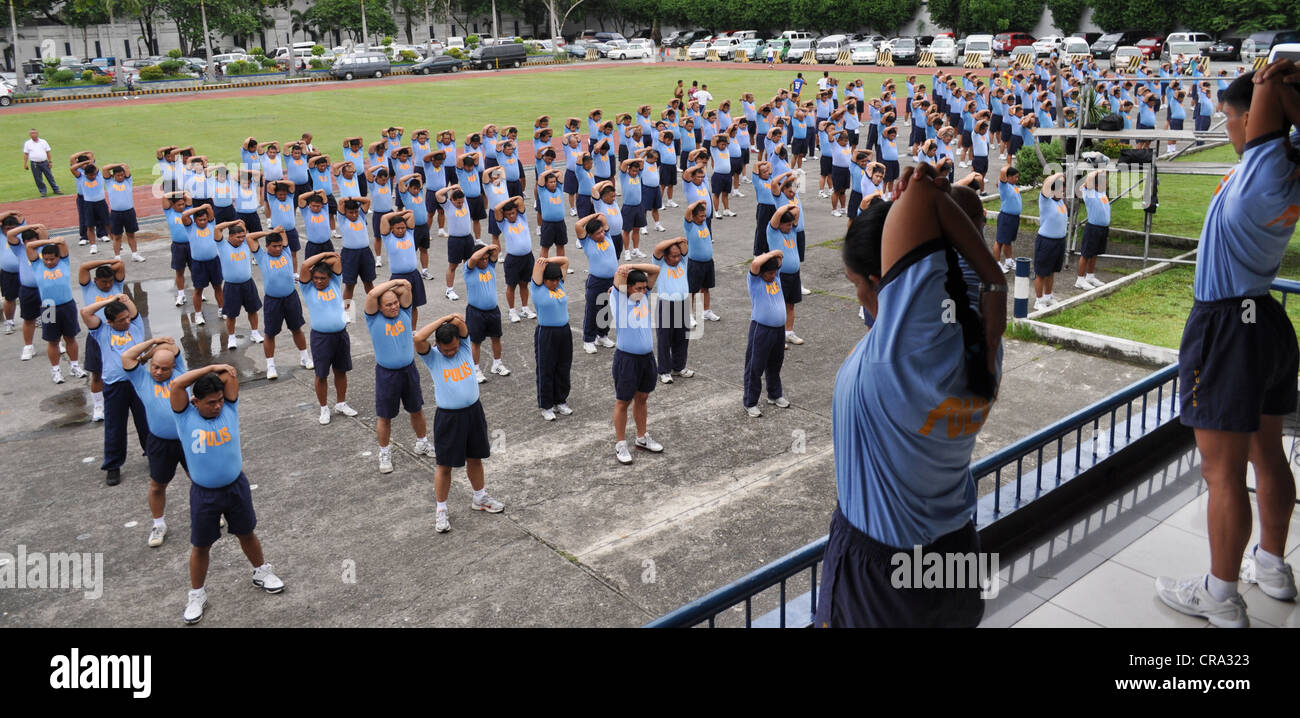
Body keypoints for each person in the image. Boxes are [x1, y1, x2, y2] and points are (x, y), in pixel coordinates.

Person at [815, 163, 1006, 627]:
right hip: (954, 554)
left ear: (889, 284)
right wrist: (992, 275)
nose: (859, 297)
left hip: (883, 579)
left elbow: (920, 191)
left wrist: (918, 191)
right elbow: (965, 211)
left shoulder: (897, 357)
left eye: (857, 285)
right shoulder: (983, 341)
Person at [1157, 64, 1300, 628]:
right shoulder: (1287, 168)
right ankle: (1273, 566)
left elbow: (1262, 106)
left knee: (1222, 472)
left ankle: (1219, 594)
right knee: (1268, 454)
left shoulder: (1266, 167)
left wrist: (1270, 84)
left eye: (1231, 115)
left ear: (1253, 117)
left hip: (1227, 325)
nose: (1228, 125)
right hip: (1263, 319)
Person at [169, 363, 285, 625]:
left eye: (220, 400)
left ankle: (261, 572)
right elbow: (177, 385)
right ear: (195, 401)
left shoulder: (229, 408)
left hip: (236, 487)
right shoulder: (185, 416)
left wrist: (221, 371)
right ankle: (197, 594)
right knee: (201, 545)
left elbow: (230, 372)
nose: (217, 406)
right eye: (211, 402)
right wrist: (209, 367)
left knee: (247, 533)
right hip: (204, 494)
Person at [413, 315, 506, 533]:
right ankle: (441, 510)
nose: (451, 353)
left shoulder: (464, 347)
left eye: (453, 348)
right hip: (448, 418)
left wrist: (453, 321)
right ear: (437, 345)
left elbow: (462, 325)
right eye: (446, 350)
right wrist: (444, 320)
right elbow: (418, 337)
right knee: (444, 466)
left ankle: (480, 497)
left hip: (473, 412)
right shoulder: (433, 357)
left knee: (475, 458)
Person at [120, 336, 187, 547]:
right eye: (155, 367)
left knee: (200, 480)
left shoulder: (180, 374)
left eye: (164, 369)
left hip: (187, 438)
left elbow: (171, 346)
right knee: (157, 485)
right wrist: (153, 343)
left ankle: (211, 513)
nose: (159, 372)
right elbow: (126, 356)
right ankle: (159, 524)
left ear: (173, 367)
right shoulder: (142, 379)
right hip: (159, 442)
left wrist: (155, 351)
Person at [80, 292, 148, 486]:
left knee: (146, 422)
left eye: (127, 317)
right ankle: (113, 465)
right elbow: (85, 312)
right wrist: (109, 301)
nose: (127, 321)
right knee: (115, 427)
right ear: (110, 322)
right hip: (115, 386)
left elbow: (133, 311)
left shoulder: (135, 327)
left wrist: (124, 300)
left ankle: (153, 454)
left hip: (138, 382)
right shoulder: (102, 331)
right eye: (121, 320)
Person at [364, 278, 432, 474]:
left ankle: (422, 443)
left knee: (416, 409)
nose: (394, 307)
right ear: (379, 307)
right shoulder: (373, 318)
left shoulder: (405, 312)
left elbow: (407, 288)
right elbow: (371, 295)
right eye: (388, 304)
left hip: (408, 370)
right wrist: (394, 282)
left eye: (395, 302)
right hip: (387, 375)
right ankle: (384, 452)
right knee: (385, 416)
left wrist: (398, 287)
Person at [610, 263, 663, 465]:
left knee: (642, 397)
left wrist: (632, 265)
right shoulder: (619, 299)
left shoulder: (644, 297)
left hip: (646, 358)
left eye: (643, 288)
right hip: (627, 359)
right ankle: (620, 444)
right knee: (623, 401)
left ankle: (641, 438)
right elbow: (618, 280)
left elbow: (655, 270)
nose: (641, 292)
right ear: (627, 288)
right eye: (637, 288)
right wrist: (623, 271)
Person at [299, 251, 357, 425]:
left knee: (341, 371)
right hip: (320, 338)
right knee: (321, 374)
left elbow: (336, 260)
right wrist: (324, 254)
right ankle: (324, 408)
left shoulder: (334, 283)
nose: (318, 281)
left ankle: (341, 403)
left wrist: (327, 259)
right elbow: (304, 266)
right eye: (315, 277)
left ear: (329, 278)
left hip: (340, 335)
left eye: (322, 278)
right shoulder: (307, 288)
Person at [250, 228, 313, 380]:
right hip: (273, 301)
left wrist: (278, 231)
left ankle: (304, 357)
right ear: (267, 247)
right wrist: (267, 232)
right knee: (270, 334)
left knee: (296, 328)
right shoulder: (262, 257)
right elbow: (249, 237)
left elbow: (283, 232)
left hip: (291, 297)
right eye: (274, 246)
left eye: (280, 245)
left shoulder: (286, 252)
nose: (278, 248)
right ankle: (270, 365)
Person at [25, 235, 86, 384]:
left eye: (52, 259)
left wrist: (55, 242)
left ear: (59, 257)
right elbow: (29, 247)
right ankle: (56, 370)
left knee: (70, 337)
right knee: (53, 341)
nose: (49, 262)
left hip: (67, 305)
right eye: (46, 259)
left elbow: (62, 242)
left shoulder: (64, 262)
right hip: (48, 307)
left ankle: (74, 366)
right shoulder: (37, 265)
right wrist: (48, 242)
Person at [78, 258, 125, 421]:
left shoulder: (117, 285)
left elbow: (120, 265)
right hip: (96, 337)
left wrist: (114, 262)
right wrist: (106, 261)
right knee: (97, 374)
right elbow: (84, 266)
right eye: (104, 282)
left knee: (124, 369)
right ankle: (98, 407)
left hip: (118, 336)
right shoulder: (88, 287)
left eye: (110, 281)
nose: (108, 285)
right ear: (95, 280)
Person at [744, 250, 788, 417]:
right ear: (761, 273)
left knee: (775, 363)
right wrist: (772, 253)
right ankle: (750, 402)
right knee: (755, 366)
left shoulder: (776, 278)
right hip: (761, 329)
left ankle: (774, 394)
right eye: (769, 273)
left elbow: (780, 258)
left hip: (778, 329)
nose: (773, 275)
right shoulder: (755, 282)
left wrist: (775, 257)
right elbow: (755, 264)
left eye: (774, 272)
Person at [530, 256, 574, 421]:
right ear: (544, 279)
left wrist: (548, 261)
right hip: (546, 333)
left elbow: (565, 261)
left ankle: (560, 401)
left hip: (564, 331)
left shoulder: (560, 285)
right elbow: (537, 266)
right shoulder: (537, 288)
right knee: (546, 369)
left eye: (557, 280)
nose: (555, 283)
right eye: (551, 280)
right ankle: (546, 405)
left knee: (563, 367)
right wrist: (543, 263)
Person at [462, 244, 511, 383]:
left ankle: (497, 364)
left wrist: (489, 249)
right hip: (475, 312)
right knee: (476, 342)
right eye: (482, 259)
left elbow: (496, 251)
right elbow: (474, 257)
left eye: (486, 258)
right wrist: (486, 247)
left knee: (496, 338)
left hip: (493, 311)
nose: (484, 261)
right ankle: (476, 370)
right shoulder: (468, 269)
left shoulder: (490, 266)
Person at [214, 219, 264, 351]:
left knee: (253, 310)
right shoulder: (223, 245)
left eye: (243, 236)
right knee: (231, 314)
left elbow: (250, 233)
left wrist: (243, 227)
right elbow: (217, 229)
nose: (242, 239)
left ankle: (254, 332)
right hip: (231, 286)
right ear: (230, 236)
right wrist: (233, 222)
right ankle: (231, 337)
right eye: (238, 237)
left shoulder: (246, 244)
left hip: (248, 283)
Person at [575, 213, 619, 354]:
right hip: (596, 281)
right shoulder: (587, 242)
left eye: (602, 231)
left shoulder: (608, 236)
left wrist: (600, 216)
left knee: (607, 309)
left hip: (612, 280)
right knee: (593, 310)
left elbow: (604, 219)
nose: (601, 234)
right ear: (590, 235)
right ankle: (588, 340)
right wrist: (593, 215)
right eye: (598, 233)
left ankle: (602, 335)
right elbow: (578, 225)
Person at [652, 236, 693, 384]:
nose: (676, 258)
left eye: (678, 255)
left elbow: (685, 249)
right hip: (666, 305)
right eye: (673, 256)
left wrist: (680, 243)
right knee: (664, 339)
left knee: (682, 338)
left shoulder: (683, 262)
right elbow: (657, 248)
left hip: (683, 303)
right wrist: (675, 239)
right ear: (665, 256)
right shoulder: (660, 264)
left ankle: (679, 367)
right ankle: (664, 371)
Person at [6, 222, 47, 361]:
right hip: (28, 290)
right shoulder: (19, 249)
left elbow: (43, 230)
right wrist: (28, 227)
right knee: (28, 319)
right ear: (23, 242)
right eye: (27, 241)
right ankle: (28, 346)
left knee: (50, 318)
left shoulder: (45, 248)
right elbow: (10, 234)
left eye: (33, 240)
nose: (31, 243)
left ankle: (56, 342)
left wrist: (37, 229)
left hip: (47, 289)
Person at [379, 209, 425, 328]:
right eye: (397, 228)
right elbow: (384, 218)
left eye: (403, 227)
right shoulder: (388, 238)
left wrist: (403, 216)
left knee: (413, 306)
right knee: (397, 307)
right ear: (392, 229)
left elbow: (410, 214)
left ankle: (413, 331)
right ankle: (402, 329)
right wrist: (399, 213)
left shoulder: (409, 233)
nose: (401, 230)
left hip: (414, 275)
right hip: (398, 278)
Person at [766, 203, 805, 345]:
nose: (791, 227)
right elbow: (778, 214)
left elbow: (797, 210)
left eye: (791, 224)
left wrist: (792, 207)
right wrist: (787, 206)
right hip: (780, 276)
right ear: (779, 224)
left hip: (794, 275)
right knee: (779, 306)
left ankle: (788, 332)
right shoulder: (773, 232)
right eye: (787, 225)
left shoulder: (792, 231)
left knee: (790, 305)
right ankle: (777, 337)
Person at [495, 196, 537, 323]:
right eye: (508, 214)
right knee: (511, 286)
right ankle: (512, 311)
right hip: (513, 259)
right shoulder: (503, 223)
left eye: (513, 213)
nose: (512, 216)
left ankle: (525, 308)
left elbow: (519, 199)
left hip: (528, 257)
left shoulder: (522, 217)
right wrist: (507, 202)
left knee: (524, 284)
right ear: (505, 215)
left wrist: (511, 200)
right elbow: (497, 209)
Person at [435, 184, 477, 302]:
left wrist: (459, 188)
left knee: (470, 264)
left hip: (468, 239)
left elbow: (461, 192)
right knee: (453, 266)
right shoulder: (448, 206)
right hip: (455, 240)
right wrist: (450, 188)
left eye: (461, 202)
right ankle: (449, 290)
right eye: (458, 202)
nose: (460, 204)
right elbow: (438, 194)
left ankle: (471, 286)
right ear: (451, 200)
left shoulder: (465, 202)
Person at [1032, 172, 1067, 309]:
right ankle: (1039, 300)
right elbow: (1046, 184)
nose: (1063, 192)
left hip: (1059, 242)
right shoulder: (1045, 200)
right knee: (1041, 272)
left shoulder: (1061, 202)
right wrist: (1058, 174)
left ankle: (1048, 296)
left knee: (1051, 271)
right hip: (1046, 241)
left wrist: (1061, 180)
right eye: (1060, 189)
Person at [682, 200, 719, 323]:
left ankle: (706, 311)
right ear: (693, 217)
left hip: (708, 262)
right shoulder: (690, 226)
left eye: (704, 216)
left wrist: (703, 205)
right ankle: (689, 315)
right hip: (695, 263)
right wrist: (698, 201)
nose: (704, 218)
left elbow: (705, 210)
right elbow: (688, 210)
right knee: (692, 290)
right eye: (701, 216)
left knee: (706, 288)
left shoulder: (703, 223)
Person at [101, 163, 146, 262]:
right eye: (118, 175)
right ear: (113, 176)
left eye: (122, 175)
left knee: (131, 234)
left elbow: (126, 166)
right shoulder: (109, 182)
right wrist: (117, 165)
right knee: (117, 236)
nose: (121, 177)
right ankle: (117, 257)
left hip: (129, 212)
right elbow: (104, 169)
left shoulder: (128, 181)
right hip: (116, 213)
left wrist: (122, 166)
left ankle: (134, 254)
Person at [1075, 169, 1110, 290]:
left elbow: (1104, 173)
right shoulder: (1089, 192)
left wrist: (1103, 169)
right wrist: (1098, 170)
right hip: (1093, 228)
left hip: (1103, 228)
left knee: (1095, 253)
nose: (1106, 183)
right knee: (1086, 254)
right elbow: (1089, 177)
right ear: (1095, 184)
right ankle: (1080, 280)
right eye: (1103, 181)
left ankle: (1090, 277)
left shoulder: (1102, 192)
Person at [994, 166, 1021, 273]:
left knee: (1008, 240)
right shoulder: (1004, 186)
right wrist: (1008, 165)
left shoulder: (1013, 186)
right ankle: (996, 264)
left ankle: (1009, 261)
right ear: (1008, 177)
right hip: (1006, 217)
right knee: (1000, 241)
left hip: (1014, 218)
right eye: (1015, 177)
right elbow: (1002, 171)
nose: (1017, 179)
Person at [23, 129, 62, 197]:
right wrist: (25, 164)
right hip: (34, 164)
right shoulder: (27, 143)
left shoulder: (43, 141)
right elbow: (26, 154)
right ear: (30, 135)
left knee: (50, 176)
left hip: (44, 162)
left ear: (37, 134)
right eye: (32, 133)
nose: (34, 134)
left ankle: (56, 189)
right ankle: (43, 191)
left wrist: (50, 161)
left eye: (35, 133)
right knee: (38, 178)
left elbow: (48, 152)